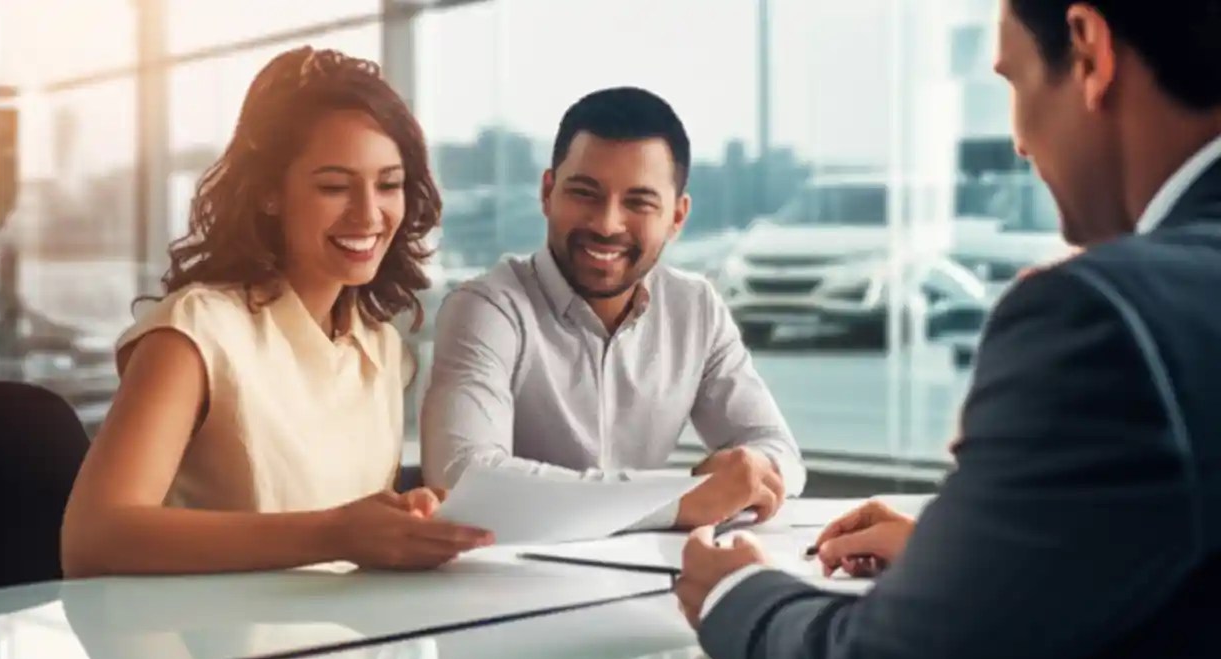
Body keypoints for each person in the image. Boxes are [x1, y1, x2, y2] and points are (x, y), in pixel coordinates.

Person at [675, 0, 1221, 659]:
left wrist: (735, 593)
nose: (1020, 143)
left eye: (1016, 83)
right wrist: (978, 565)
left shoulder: (1105, 315)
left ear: (1088, 53)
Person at [61, 47, 493, 578]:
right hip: (204, 650)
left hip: (340, 648)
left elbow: (349, 540)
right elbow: (95, 537)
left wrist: (402, 522)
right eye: (334, 186)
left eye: (388, 184)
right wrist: (334, 533)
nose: (369, 213)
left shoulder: (379, 348)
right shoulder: (195, 331)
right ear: (269, 192)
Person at [421, 87, 803, 530]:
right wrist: (678, 499)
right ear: (548, 193)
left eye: (638, 202)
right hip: (506, 581)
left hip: (647, 578)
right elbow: (464, 480)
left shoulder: (696, 309)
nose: (606, 223)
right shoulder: (487, 308)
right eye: (585, 193)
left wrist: (748, 468)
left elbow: (780, 453)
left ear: (677, 217)